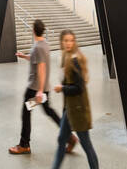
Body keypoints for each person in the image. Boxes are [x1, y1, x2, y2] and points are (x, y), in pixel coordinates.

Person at [9, 19, 77, 155]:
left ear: (33, 30)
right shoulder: (44, 44)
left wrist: (39, 91)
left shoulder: (38, 47)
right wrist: (24, 56)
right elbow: (37, 59)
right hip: (44, 88)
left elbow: (41, 67)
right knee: (48, 111)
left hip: (35, 89)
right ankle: (70, 137)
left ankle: (24, 144)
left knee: (26, 112)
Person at [52, 29, 99, 169]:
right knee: (61, 140)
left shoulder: (75, 60)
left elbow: (80, 88)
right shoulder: (65, 56)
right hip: (69, 109)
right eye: (66, 40)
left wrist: (62, 89)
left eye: (71, 40)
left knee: (86, 145)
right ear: (61, 42)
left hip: (78, 109)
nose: (68, 43)